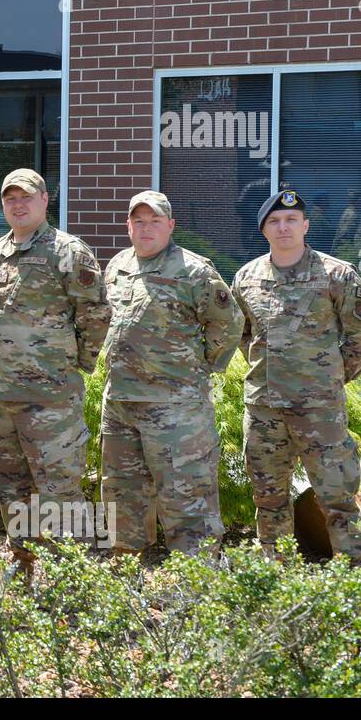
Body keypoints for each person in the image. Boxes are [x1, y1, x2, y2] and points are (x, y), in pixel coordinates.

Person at [232, 189, 361, 564]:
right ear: (264, 230)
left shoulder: (336, 274)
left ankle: (352, 576)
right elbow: (241, 333)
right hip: (264, 409)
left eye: (291, 220)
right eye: (274, 221)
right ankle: (273, 571)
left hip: (319, 410)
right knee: (268, 497)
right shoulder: (246, 277)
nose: (283, 227)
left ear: (306, 225)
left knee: (337, 498)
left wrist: (333, 375)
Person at [100, 190, 243, 556]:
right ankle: (125, 581)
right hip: (120, 406)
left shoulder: (194, 271)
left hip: (177, 410)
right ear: (128, 225)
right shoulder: (118, 265)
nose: (146, 228)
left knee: (187, 504)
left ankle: (198, 592)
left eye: (155, 221)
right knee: (121, 497)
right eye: (139, 221)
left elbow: (228, 326)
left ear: (171, 226)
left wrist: (198, 369)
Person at [0, 168, 110, 564]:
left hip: (51, 401)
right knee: (12, 490)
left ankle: (73, 582)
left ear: (44, 200)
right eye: (10, 198)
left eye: (26, 197)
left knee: (59, 495)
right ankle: (25, 567)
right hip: (2, 399)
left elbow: (96, 314)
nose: (18, 205)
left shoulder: (68, 252)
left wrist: (74, 366)